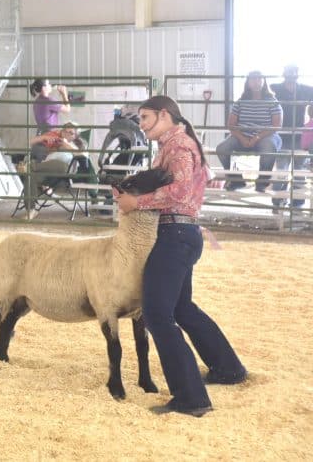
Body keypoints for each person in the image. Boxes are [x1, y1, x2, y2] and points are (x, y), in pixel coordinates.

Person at [114, 95, 247, 417]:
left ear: (164, 115)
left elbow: (181, 191)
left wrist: (137, 203)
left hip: (174, 234)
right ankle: (228, 368)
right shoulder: (175, 145)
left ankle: (191, 398)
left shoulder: (179, 147)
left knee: (157, 314)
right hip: (181, 233)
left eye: (145, 118)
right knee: (181, 307)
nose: (142, 125)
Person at [215, 70, 282, 191]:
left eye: (259, 79)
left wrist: (257, 137)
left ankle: (262, 181)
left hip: (265, 136)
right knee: (221, 148)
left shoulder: (272, 102)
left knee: (269, 147)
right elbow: (231, 125)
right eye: (253, 79)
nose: (256, 82)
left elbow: (276, 125)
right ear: (248, 82)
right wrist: (242, 138)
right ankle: (236, 179)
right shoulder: (240, 102)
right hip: (242, 136)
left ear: (264, 81)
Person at [270, 64, 313, 208]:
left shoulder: (305, 90)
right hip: (282, 135)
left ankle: (298, 201)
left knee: (299, 170)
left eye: (294, 72)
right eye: (289, 72)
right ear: (284, 73)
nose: (291, 75)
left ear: (297, 74)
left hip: (300, 136)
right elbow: (267, 94)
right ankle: (278, 200)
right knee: (281, 169)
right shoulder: (276, 88)